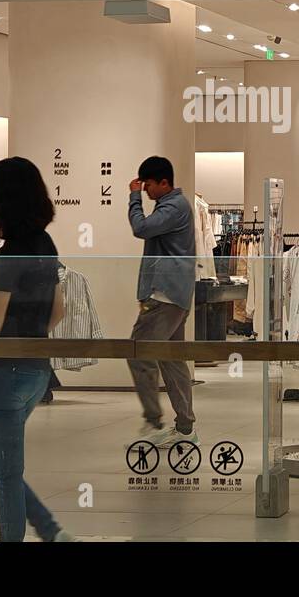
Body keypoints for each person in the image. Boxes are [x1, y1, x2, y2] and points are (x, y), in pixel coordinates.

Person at [0, 156, 74, 542]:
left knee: (7, 474)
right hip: (37, 369)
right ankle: (51, 531)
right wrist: (32, 336)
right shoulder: (45, 243)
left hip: (6, 373)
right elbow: (60, 308)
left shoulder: (11, 253)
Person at [127, 156, 197, 447]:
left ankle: (154, 422)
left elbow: (140, 228)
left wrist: (132, 198)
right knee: (171, 360)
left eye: (148, 186)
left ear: (164, 183)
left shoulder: (173, 207)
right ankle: (184, 427)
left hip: (165, 296)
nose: (145, 191)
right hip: (173, 295)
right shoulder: (172, 206)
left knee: (138, 352)